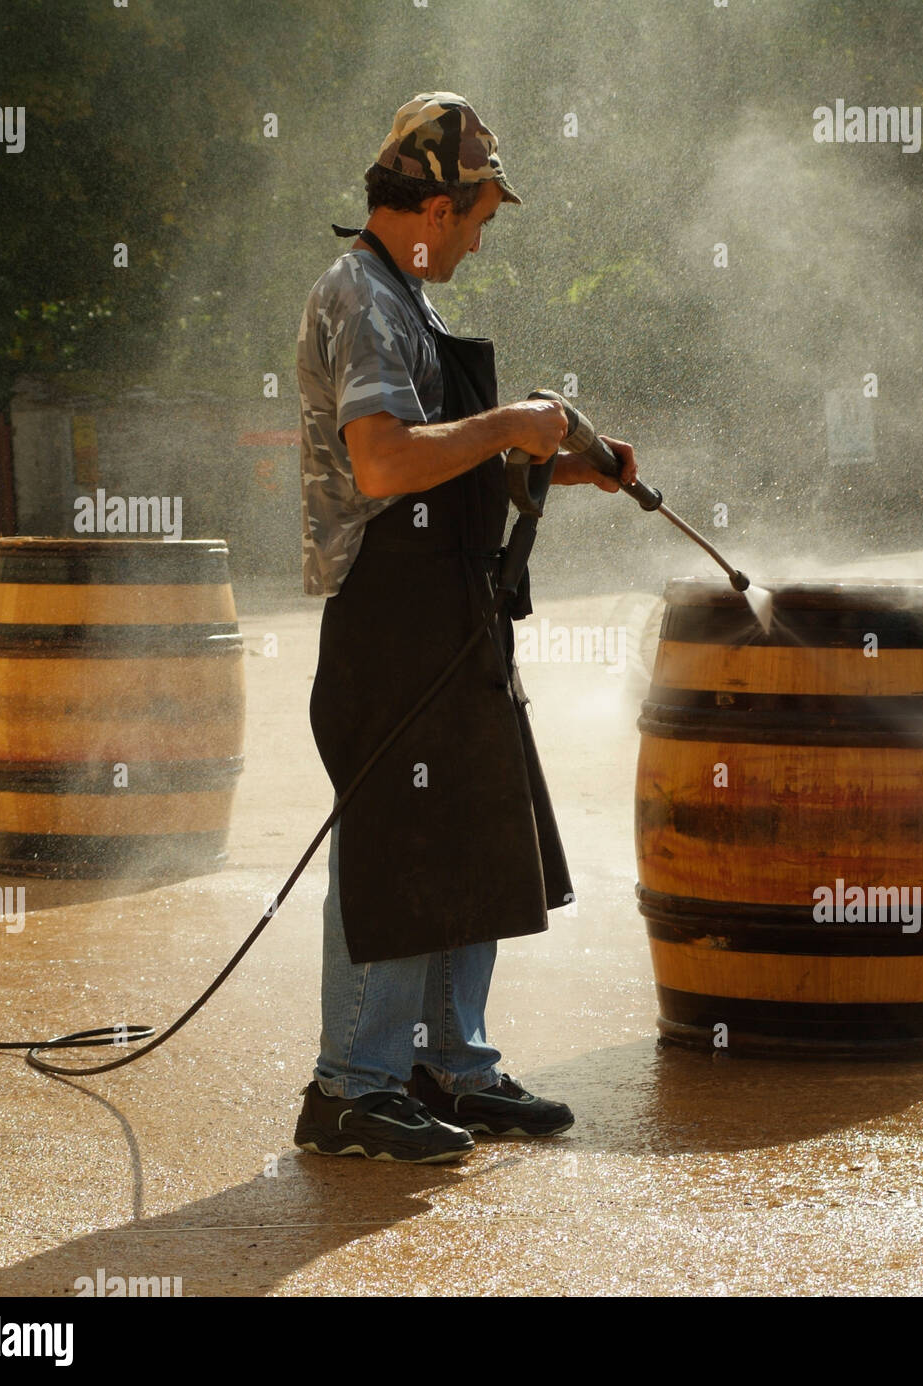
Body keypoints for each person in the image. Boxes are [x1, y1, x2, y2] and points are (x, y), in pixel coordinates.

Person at [291, 93, 637, 1164]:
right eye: (481, 212)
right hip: (386, 612)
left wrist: (560, 460)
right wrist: (515, 424)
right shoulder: (360, 296)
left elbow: (443, 452)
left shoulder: (414, 301)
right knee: (397, 839)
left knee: (469, 824)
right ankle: (351, 1086)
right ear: (435, 203)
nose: (484, 234)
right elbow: (386, 462)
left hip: (449, 607)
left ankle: (450, 1066)